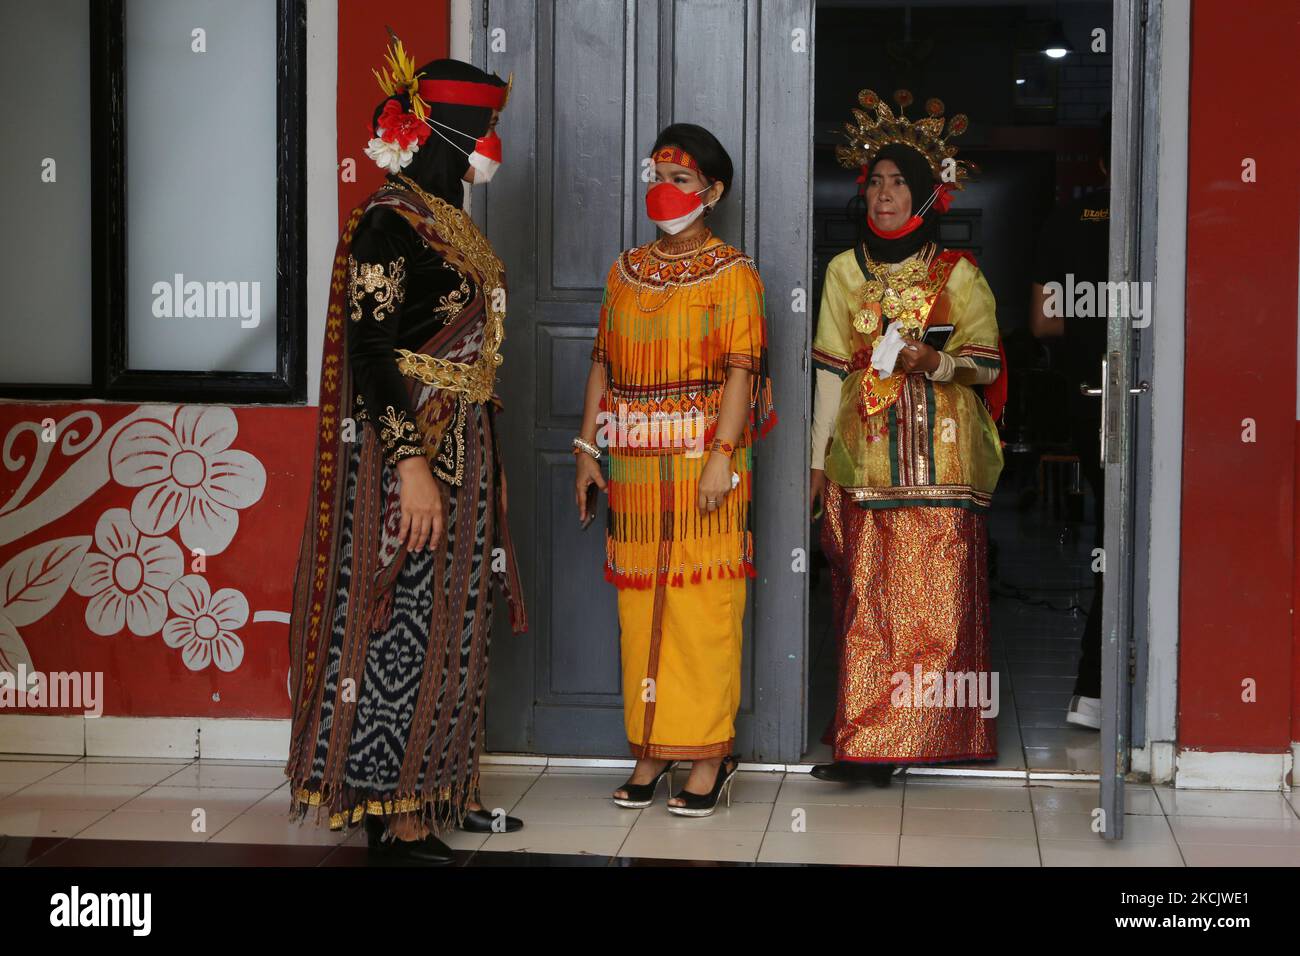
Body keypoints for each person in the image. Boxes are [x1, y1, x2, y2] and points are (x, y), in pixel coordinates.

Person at [284, 39, 527, 864]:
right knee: (402, 620)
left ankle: (437, 787)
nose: (495, 145)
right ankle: (394, 814)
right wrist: (408, 464)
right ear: (452, 133)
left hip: (461, 438)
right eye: (487, 129)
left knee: (453, 623)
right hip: (411, 452)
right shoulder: (391, 221)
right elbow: (372, 352)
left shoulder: (447, 217)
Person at [574, 124, 776, 817]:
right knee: (641, 611)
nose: (665, 188)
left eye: (681, 178)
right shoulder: (624, 269)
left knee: (702, 610)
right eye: (657, 174)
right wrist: (586, 450)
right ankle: (651, 750)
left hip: (704, 472)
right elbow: (601, 361)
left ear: (713, 192)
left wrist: (722, 458)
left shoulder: (734, 273)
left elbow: (743, 372)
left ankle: (710, 756)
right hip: (633, 471)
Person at [810, 90, 1004, 785]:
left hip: (944, 463)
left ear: (925, 196)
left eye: (899, 184)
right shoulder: (842, 273)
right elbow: (830, 374)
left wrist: (935, 361)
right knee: (867, 606)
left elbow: (985, 363)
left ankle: (935, 732)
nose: (884, 195)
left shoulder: (960, 276)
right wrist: (814, 464)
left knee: (938, 607)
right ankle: (866, 747)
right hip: (861, 460)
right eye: (876, 182)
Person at [1030, 113, 1111, 730]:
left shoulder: (1066, 222)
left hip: (1097, 395)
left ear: (1101, 164)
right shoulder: (1164, 220)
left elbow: (1044, 325)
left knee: (1109, 538)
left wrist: (1089, 325)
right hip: (1166, 399)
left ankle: (1094, 690)